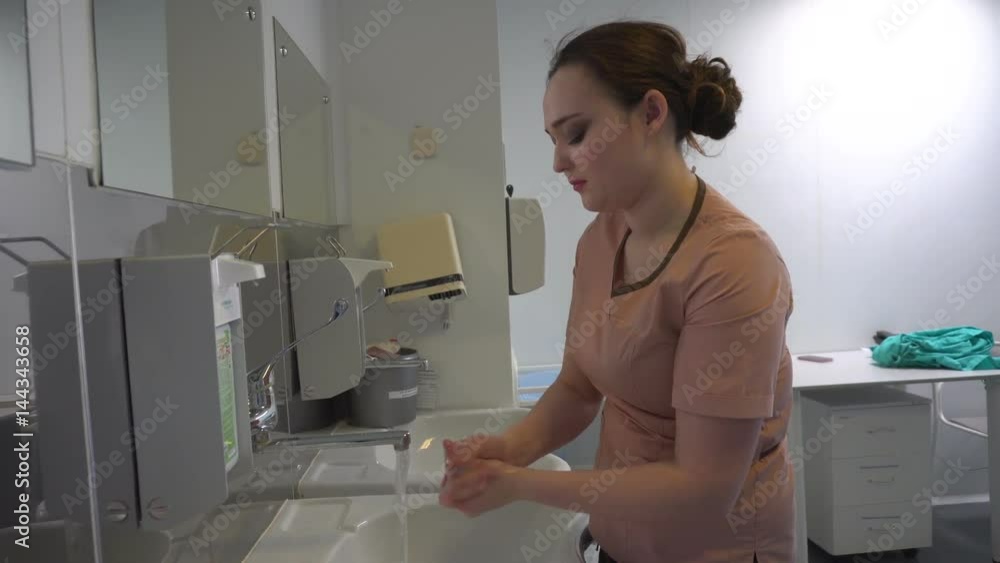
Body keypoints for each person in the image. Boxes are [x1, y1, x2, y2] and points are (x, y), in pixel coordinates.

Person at [439, 21, 794, 563]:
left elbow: (703, 489)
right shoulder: (601, 239)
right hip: (620, 542)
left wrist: (517, 484)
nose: (558, 161)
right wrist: (507, 450)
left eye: (576, 134)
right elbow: (579, 387)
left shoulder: (734, 263)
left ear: (651, 113)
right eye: (554, 140)